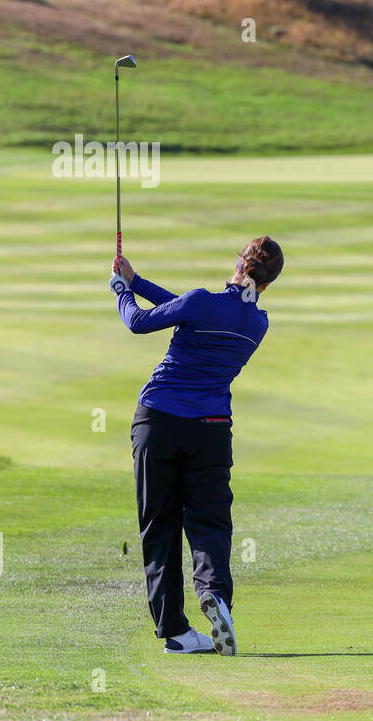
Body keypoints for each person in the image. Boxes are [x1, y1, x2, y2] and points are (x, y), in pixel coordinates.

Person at [109, 237, 284, 655]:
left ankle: (176, 632)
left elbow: (141, 321)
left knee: (160, 526)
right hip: (211, 430)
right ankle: (215, 594)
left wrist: (120, 288)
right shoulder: (257, 324)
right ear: (267, 284)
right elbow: (187, 310)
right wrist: (138, 279)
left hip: (159, 421)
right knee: (210, 521)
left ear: (239, 262)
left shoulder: (202, 302)